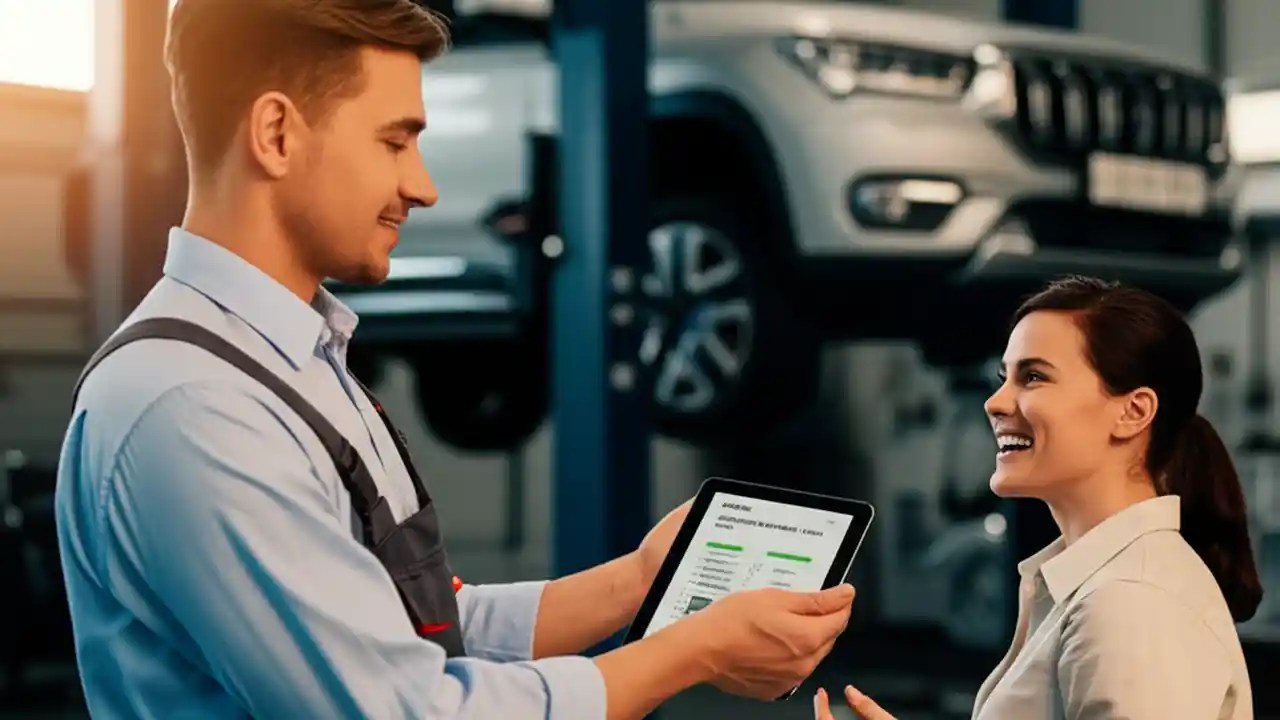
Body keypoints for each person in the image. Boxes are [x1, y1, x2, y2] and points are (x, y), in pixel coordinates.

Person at [53, 1, 857, 718]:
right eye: (395, 141)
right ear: (276, 133)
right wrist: (691, 652)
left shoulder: (293, 363)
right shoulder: (193, 406)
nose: (424, 185)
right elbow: (405, 707)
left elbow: (412, 625)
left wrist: (640, 579)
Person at [815, 276, 1262, 719]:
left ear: (1133, 412)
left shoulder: (1129, 601)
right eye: (1004, 376)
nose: (995, 401)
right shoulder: (1100, 584)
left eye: (1033, 376)